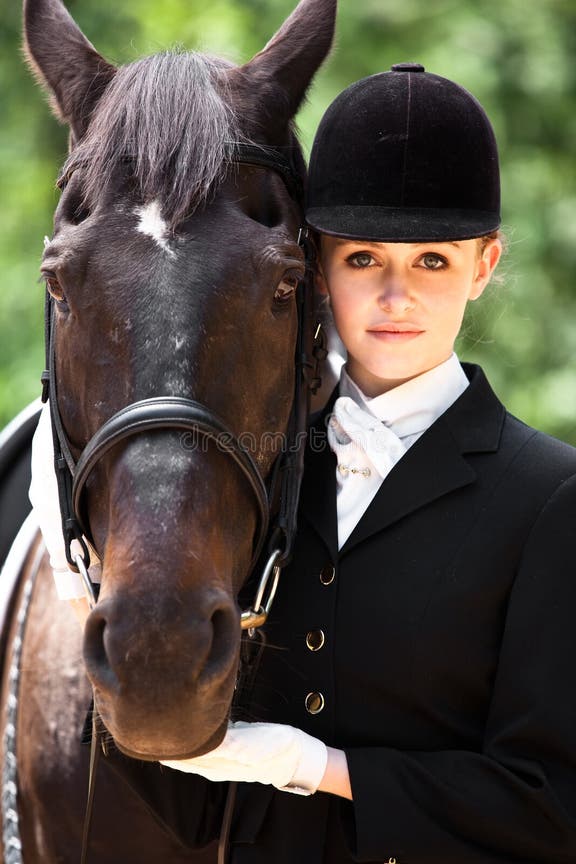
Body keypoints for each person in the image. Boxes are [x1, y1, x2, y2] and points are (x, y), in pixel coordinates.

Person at [30, 64, 576, 862]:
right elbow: (188, 803)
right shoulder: (260, 479)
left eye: (433, 261)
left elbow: (552, 808)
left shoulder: (550, 496)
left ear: (484, 265)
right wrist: (89, 585)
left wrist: (316, 768)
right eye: (364, 260)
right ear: (318, 266)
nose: (397, 297)